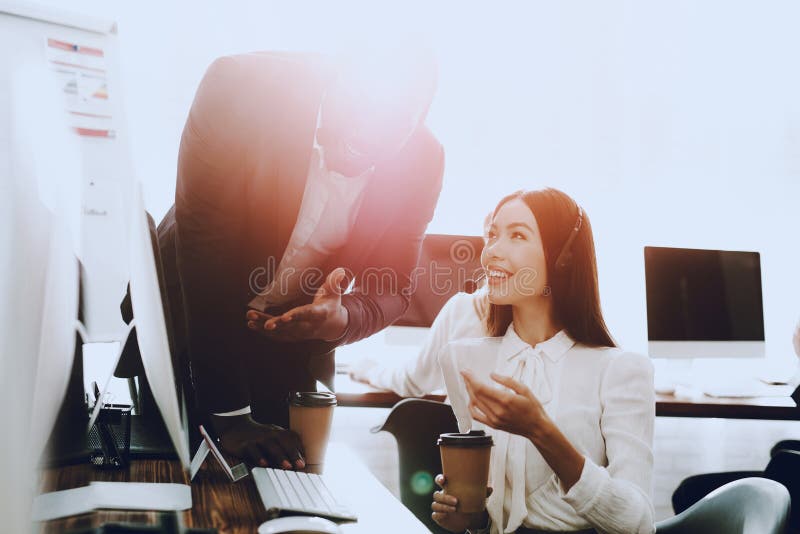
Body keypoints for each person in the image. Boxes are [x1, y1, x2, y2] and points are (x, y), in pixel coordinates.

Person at [155, 50, 443, 470]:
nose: (367, 141)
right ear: (336, 71)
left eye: (395, 126)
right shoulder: (241, 86)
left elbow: (394, 287)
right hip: (187, 322)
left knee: (289, 486)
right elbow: (205, 255)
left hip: (289, 353)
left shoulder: (423, 160)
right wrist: (232, 418)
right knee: (175, 477)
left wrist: (341, 319)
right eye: (362, 111)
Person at [431, 188, 655, 534]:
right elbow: (487, 514)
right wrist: (466, 516)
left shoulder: (621, 371)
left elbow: (637, 523)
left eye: (517, 235)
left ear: (563, 257)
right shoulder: (464, 360)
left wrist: (541, 431)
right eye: (492, 235)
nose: (492, 252)